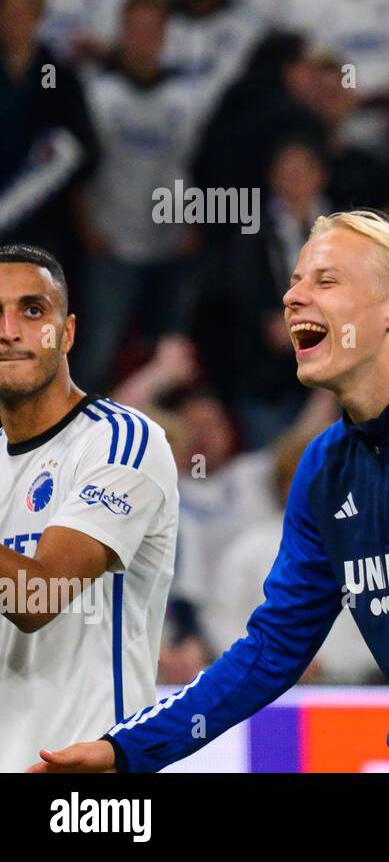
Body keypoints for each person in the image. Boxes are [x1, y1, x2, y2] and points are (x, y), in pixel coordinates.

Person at [32, 211, 389, 774]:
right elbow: (272, 647)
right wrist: (127, 749)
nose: (292, 297)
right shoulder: (324, 468)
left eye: (325, 281)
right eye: (295, 280)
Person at [0, 244, 178, 772]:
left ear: (68, 332)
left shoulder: (123, 442)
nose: (9, 330)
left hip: (88, 783)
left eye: (33, 311)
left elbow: (39, 596)